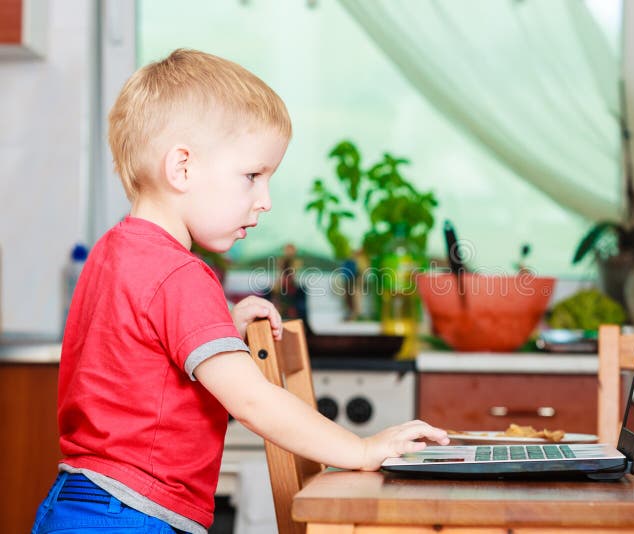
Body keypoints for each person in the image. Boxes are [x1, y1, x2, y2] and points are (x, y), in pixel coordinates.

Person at [32, 49, 448, 534]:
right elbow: (252, 400)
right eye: (252, 176)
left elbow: (139, 360)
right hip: (131, 516)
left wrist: (222, 328)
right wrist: (360, 449)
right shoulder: (179, 274)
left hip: (80, 502)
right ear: (182, 168)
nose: (265, 200)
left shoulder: (113, 252)